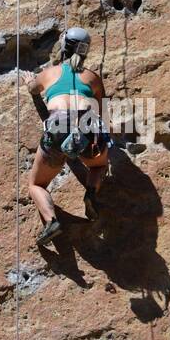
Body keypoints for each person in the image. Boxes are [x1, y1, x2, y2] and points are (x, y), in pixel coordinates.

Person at [24, 27, 110, 244]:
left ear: (63, 47)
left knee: (36, 184)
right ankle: (91, 192)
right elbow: (101, 106)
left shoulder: (50, 73)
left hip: (58, 124)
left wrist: (29, 82)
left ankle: (52, 221)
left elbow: (33, 89)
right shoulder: (92, 77)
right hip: (87, 125)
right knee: (98, 166)